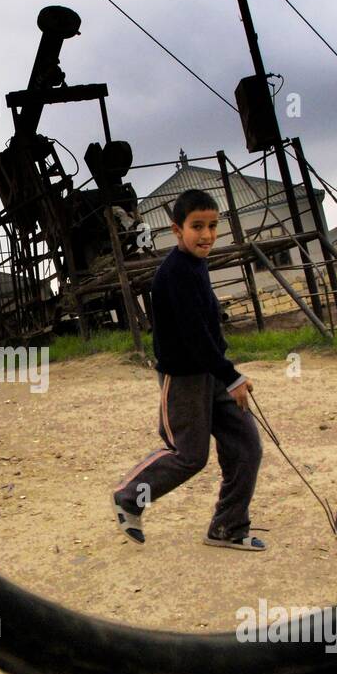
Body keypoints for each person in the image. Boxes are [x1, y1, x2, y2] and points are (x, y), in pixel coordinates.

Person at [112, 189, 266, 551]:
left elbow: (208, 328)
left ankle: (228, 527)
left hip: (213, 373)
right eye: (197, 226)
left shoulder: (197, 266)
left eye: (213, 226)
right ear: (177, 230)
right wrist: (233, 376)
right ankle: (129, 498)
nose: (208, 235)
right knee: (189, 455)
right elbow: (195, 336)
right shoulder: (174, 274)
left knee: (246, 446)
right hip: (184, 379)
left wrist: (226, 373)